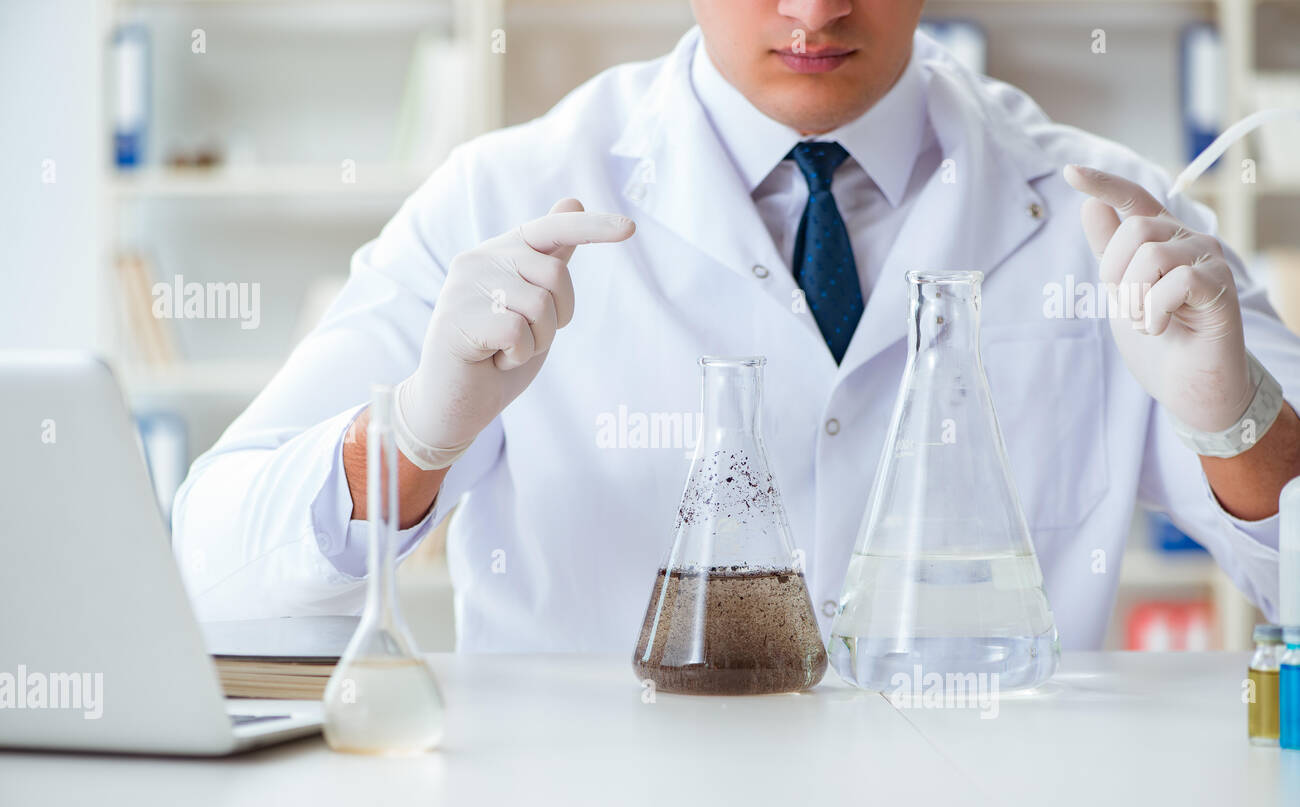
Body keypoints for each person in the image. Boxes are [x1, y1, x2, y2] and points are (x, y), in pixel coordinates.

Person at [172, 0, 1300, 652]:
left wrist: (1232, 416)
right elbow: (215, 570)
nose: (814, 11)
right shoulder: (498, 196)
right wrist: (414, 437)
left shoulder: (1113, 209)